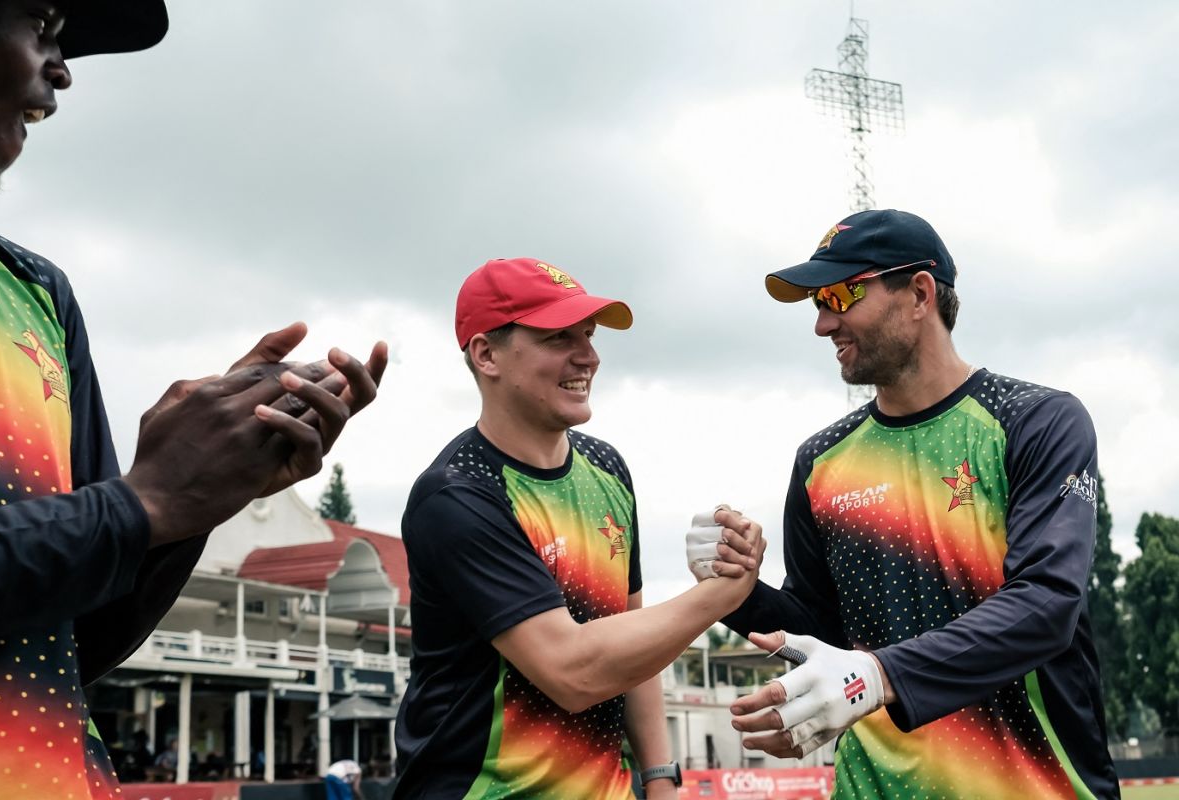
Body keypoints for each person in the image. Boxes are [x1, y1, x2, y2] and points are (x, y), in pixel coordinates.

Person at [0, 2, 386, 797]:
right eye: (43, 25)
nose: (62, 71)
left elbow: (77, 639)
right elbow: (124, 511)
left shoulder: (36, 294)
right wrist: (149, 499)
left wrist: (199, 500)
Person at [703, 210, 1119, 798]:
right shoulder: (819, 460)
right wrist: (735, 590)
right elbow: (821, 632)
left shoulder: (1036, 421)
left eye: (841, 294)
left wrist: (879, 676)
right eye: (816, 303)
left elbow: (1047, 604)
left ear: (920, 293)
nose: (823, 324)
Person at [394, 258, 763, 799]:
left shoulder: (607, 468)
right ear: (486, 353)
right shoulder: (457, 494)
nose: (588, 356)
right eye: (557, 337)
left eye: (588, 335)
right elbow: (573, 673)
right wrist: (721, 594)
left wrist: (661, 781)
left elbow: (635, 641)